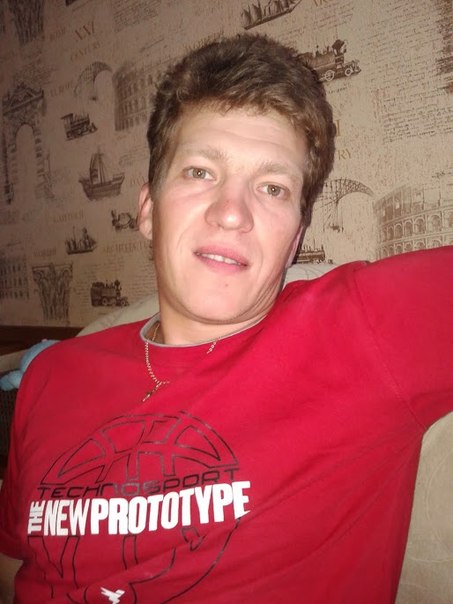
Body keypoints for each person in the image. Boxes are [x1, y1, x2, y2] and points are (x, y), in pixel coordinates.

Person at [0, 33, 452, 603]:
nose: (232, 213)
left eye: (272, 187)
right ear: (147, 209)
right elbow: (16, 567)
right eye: (200, 172)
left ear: (296, 239)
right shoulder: (51, 374)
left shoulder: (360, 327)